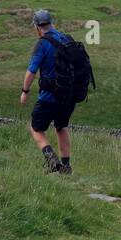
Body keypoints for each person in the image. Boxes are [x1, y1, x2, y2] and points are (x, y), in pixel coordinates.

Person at [21, 9, 76, 174]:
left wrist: (25, 91)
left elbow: (31, 71)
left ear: (37, 27)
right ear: (51, 23)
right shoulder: (66, 39)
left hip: (49, 97)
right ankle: (66, 167)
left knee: (36, 128)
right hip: (68, 97)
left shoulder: (43, 43)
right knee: (61, 127)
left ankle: (52, 161)